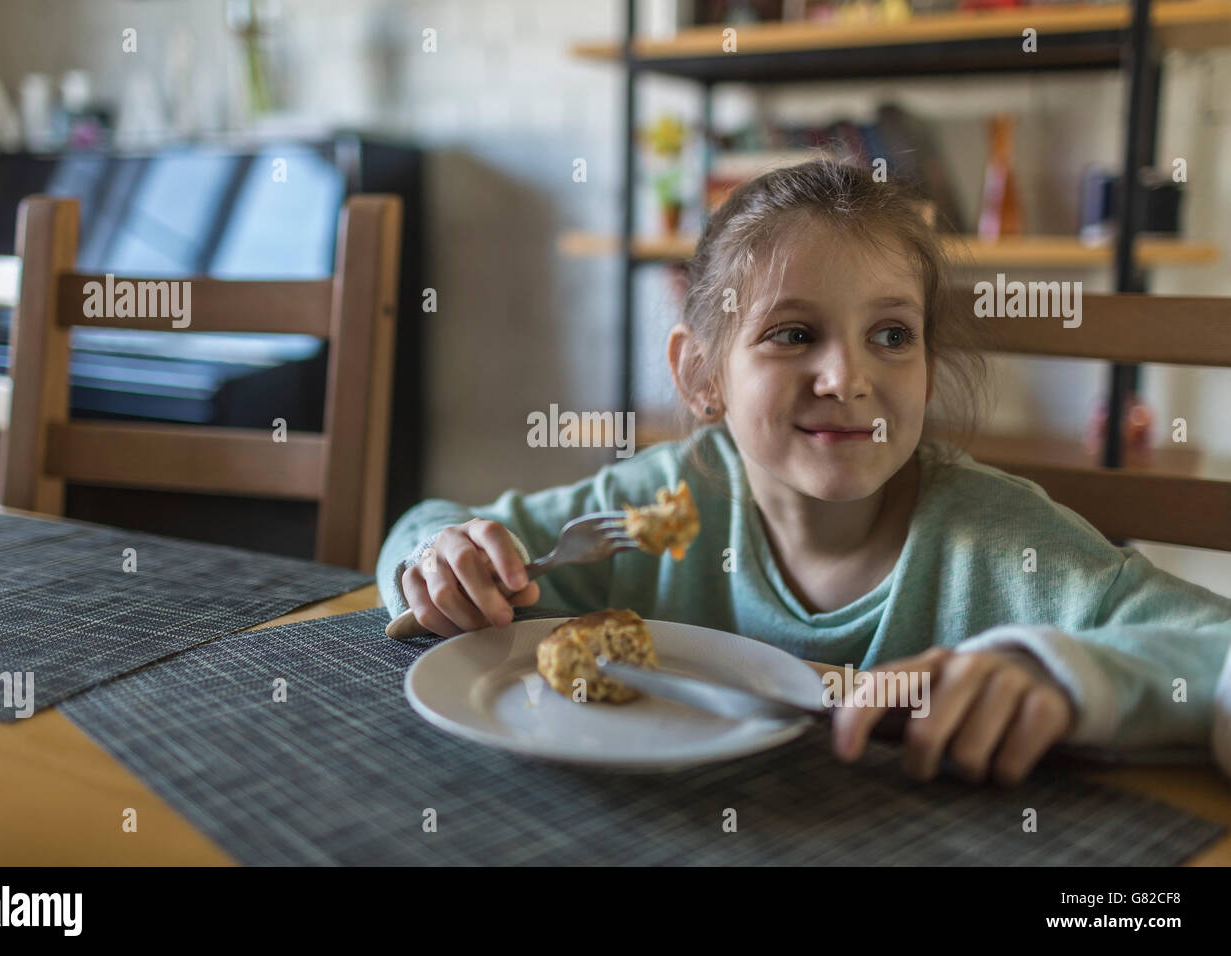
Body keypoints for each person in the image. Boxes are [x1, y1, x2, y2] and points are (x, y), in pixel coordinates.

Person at [377, 159, 1231, 785]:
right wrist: (443, 560)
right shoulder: (658, 505)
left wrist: (1064, 672)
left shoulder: (1002, 545)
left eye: (891, 335)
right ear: (701, 376)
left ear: (930, 366)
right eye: (793, 334)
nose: (848, 379)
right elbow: (434, 529)